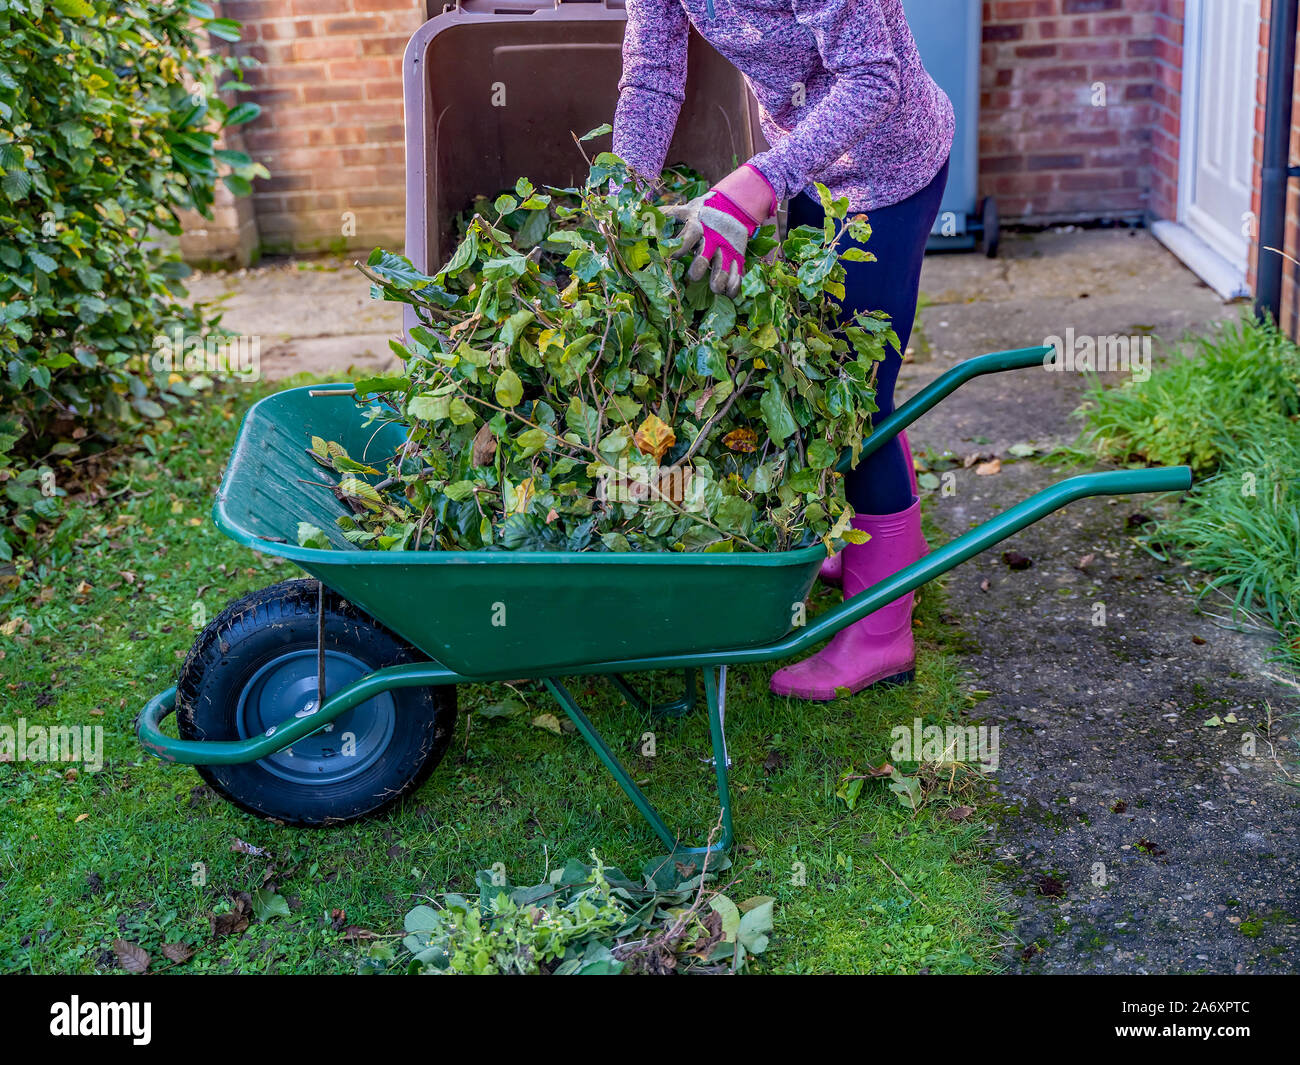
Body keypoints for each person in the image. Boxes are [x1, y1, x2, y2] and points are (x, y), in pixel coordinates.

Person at [613, 0, 953, 701]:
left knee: (859, 397)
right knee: (827, 370)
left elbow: (870, 76)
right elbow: (652, 74)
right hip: (804, 166)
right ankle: (878, 544)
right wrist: (618, 200)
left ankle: (884, 633)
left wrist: (762, 180)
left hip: (888, 169)